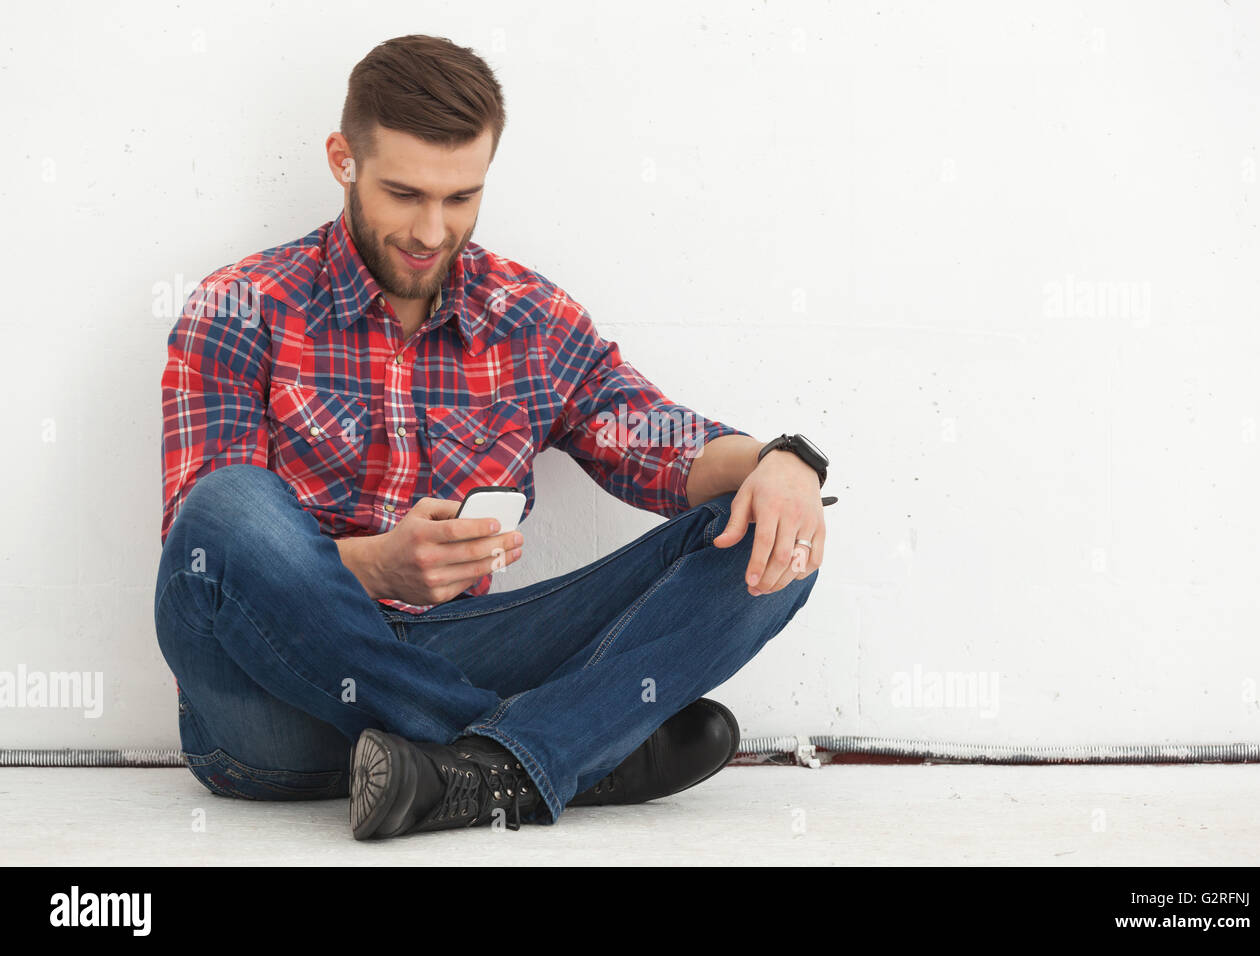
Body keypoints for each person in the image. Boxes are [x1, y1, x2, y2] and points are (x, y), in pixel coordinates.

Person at [154, 34, 829, 840]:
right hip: (273, 700)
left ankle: (473, 771)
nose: (432, 231)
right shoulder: (239, 306)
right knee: (226, 506)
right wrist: (377, 564)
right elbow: (206, 566)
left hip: (459, 648)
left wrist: (781, 461)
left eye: (461, 198)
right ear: (344, 160)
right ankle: (557, 750)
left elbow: (662, 445)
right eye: (404, 194)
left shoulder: (529, 317)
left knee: (770, 535)